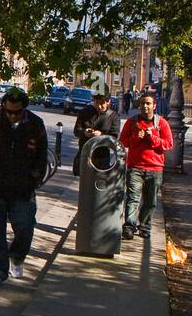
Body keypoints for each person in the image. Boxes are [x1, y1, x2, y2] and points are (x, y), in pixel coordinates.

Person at [0, 86, 48, 285]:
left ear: (24, 109)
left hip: (22, 189)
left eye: (17, 112)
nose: (12, 116)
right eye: (9, 111)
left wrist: (34, 179)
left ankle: (17, 255)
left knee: (25, 228)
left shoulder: (35, 124)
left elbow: (42, 157)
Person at [120, 93, 172, 239]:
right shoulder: (132, 122)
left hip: (155, 168)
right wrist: (137, 137)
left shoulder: (161, 123)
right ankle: (129, 226)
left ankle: (144, 227)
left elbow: (168, 145)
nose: (145, 106)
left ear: (154, 106)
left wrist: (152, 138)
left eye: (148, 103)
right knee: (133, 198)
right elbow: (122, 141)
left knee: (150, 201)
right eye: (143, 103)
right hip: (135, 166)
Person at [72, 92, 121, 175]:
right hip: (85, 152)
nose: (99, 106)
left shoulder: (114, 116)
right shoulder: (85, 112)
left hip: (101, 156)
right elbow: (77, 130)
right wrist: (84, 132)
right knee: (84, 181)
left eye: (102, 103)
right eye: (96, 102)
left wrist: (101, 135)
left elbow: (115, 137)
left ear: (108, 102)